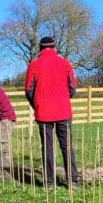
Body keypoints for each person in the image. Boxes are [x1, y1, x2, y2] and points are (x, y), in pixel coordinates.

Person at [25, 36, 81, 186]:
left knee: (47, 148)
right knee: (66, 146)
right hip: (63, 111)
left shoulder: (34, 65)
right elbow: (73, 88)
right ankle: (73, 180)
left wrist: (36, 104)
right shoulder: (65, 63)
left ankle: (49, 182)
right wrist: (62, 98)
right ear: (54, 47)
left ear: (40, 48)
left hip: (43, 113)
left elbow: (28, 90)